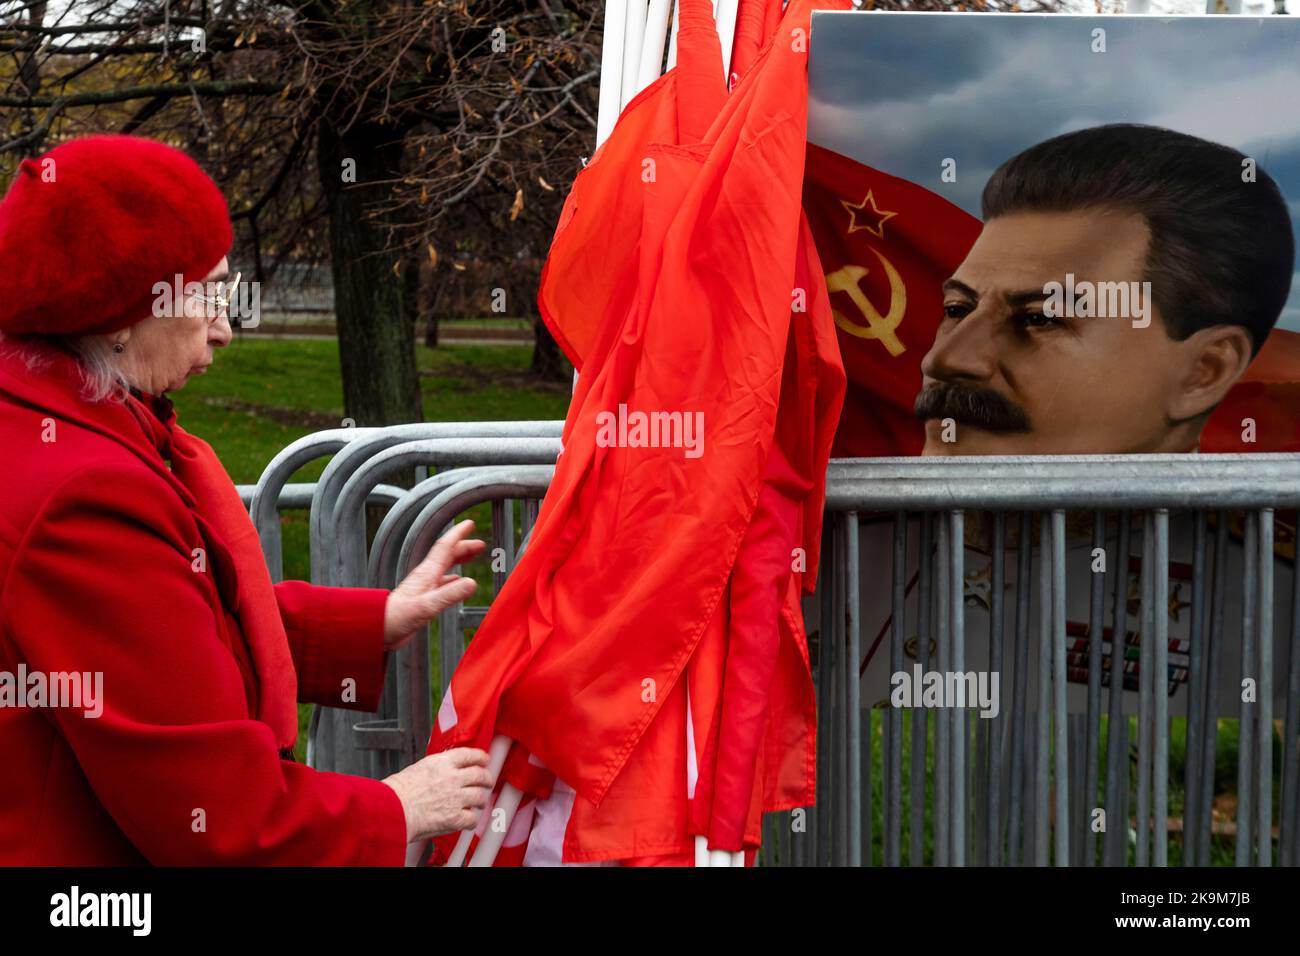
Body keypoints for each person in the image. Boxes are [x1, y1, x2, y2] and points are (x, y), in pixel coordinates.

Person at [0, 134, 490, 864]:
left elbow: (172, 630)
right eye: (206, 294)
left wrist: (369, 624)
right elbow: (213, 816)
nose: (227, 329)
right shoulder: (84, 491)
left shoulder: (56, 428)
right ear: (117, 315)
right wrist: (395, 806)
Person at [915, 124, 1295, 455]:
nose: (944, 359)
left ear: (1204, 371)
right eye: (956, 309)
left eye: (1039, 318)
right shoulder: (866, 538)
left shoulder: (1259, 540)